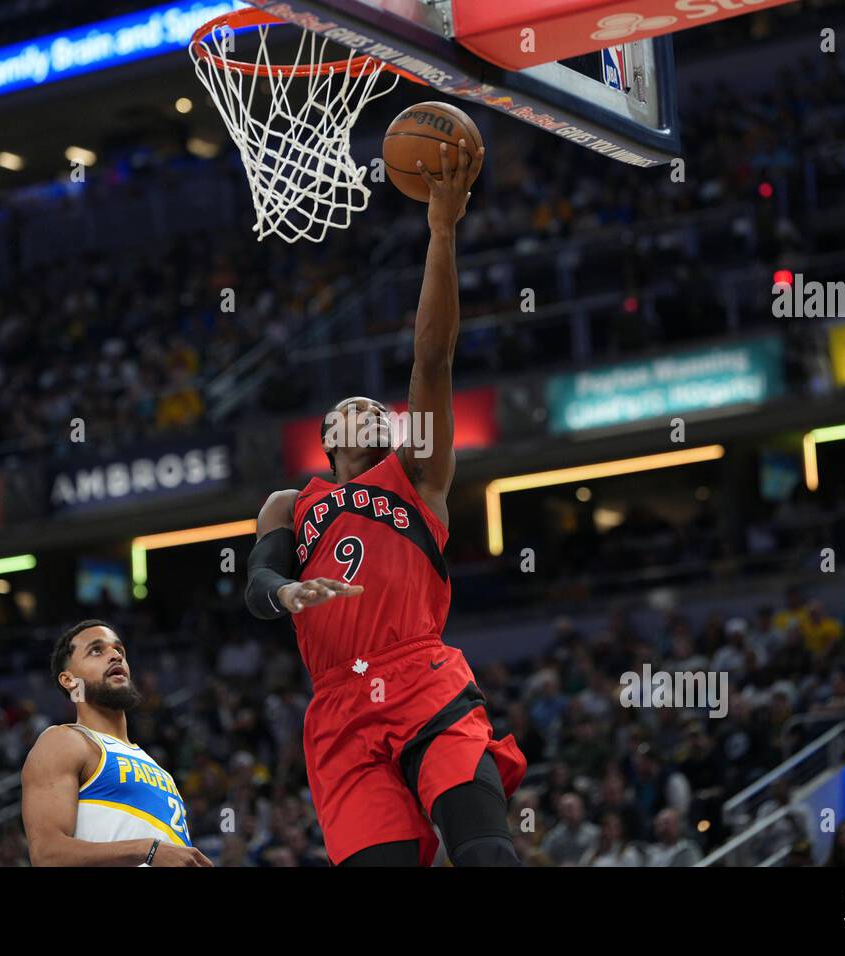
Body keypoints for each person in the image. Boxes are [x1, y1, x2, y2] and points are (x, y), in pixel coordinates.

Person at [244, 141, 525, 868]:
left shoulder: (419, 472)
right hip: (337, 707)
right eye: (352, 408)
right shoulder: (289, 502)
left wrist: (441, 230)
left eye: (379, 408)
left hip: (421, 678)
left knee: (489, 854)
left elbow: (433, 357)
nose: (370, 412)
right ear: (327, 436)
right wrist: (289, 590)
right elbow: (258, 585)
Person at [21, 620, 211, 866]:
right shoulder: (64, 741)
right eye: (96, 650)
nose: (114, 656)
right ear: (69, 680)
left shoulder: (159, 769)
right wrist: (148, 849)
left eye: (119, 650)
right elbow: (46, 854)